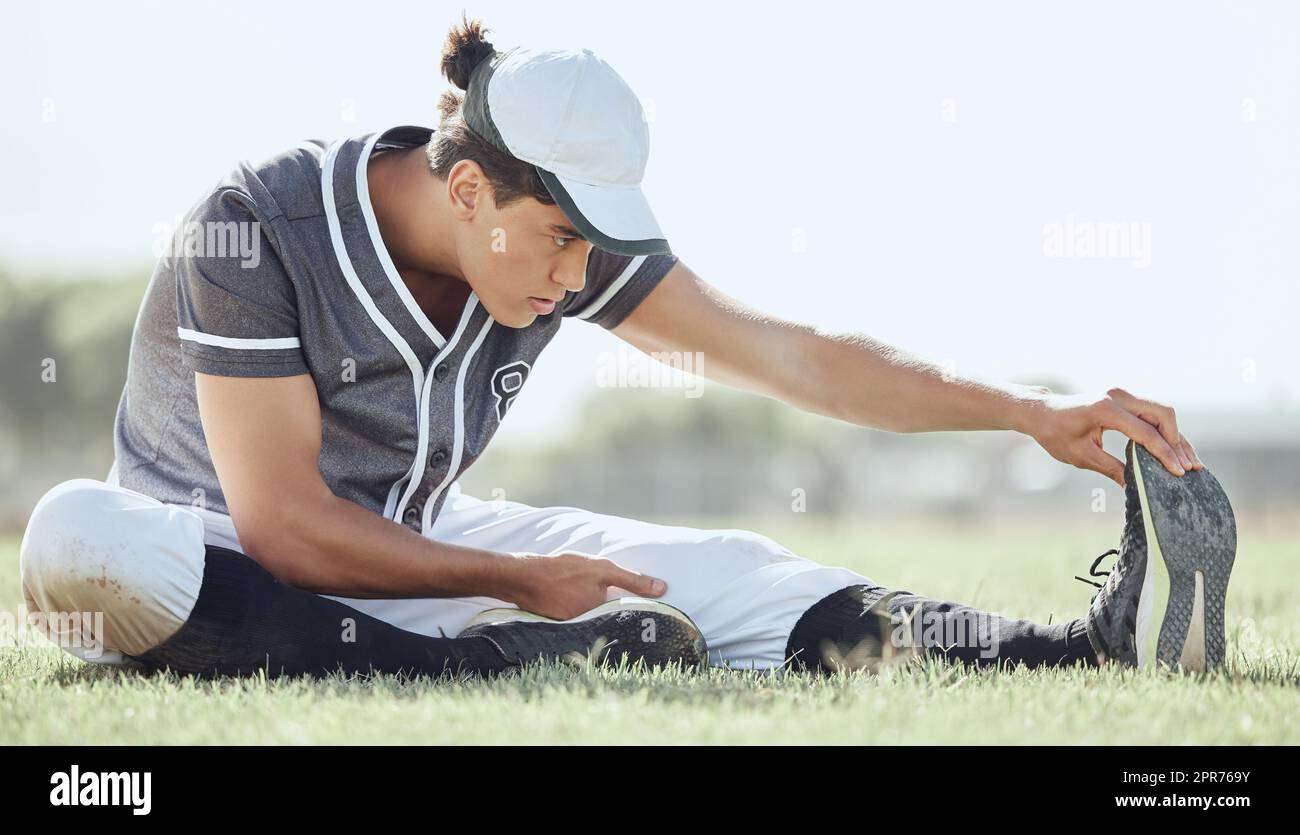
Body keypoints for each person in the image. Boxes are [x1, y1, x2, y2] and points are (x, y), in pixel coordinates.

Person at [18, 16, 1235, 680]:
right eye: (554, 240)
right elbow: (283, 524)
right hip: (219, 566)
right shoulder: (256, 227)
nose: (572, 275)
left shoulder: (554, 243)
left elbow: (791, 357)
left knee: (724, 569)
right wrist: (514, 579)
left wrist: (1025, 410)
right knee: (77, 536)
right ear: (467, 191)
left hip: (421, 552)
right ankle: (497, 659)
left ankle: (1081, 646)